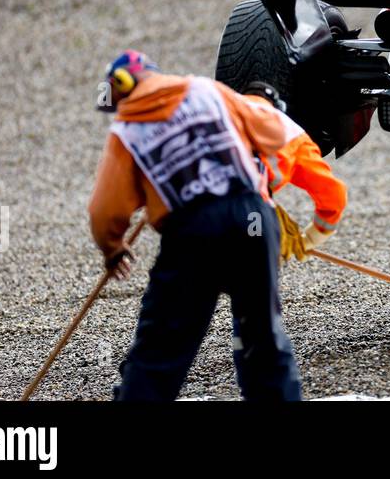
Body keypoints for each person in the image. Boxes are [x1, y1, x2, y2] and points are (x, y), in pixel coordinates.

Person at [88, 50, 303, 400]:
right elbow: (273, 132)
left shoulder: (127, 130)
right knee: (262, 338)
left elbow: (104, 211)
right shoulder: (207, 91)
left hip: (194, 231)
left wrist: (112, 247)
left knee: (161, 348)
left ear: (122, 86)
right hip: (252, 217)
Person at [242, 80, 346, 262]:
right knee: (256, 255)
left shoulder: (217, 109)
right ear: (278, 108)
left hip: (192, 203)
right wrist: (313, 237)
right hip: (250, 209)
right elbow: (333, 193)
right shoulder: (290, 133)